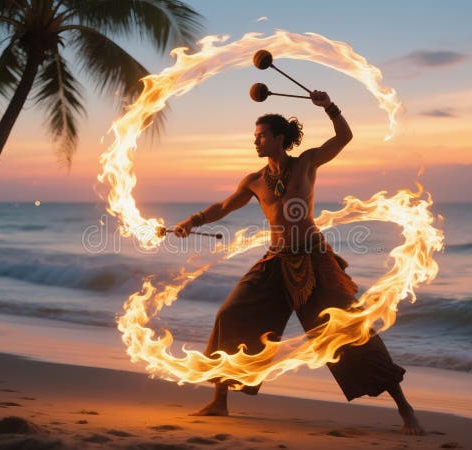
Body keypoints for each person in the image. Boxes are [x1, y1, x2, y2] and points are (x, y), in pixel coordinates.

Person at [174, 90, 424, 435]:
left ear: (280, 139)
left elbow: (344, 137)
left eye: (261, 135)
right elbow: (225, 206)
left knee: (350, 332)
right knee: (229, 316)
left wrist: (330, 107)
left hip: (314, 261)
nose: (256, 140)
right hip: (275, 262)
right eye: (255, 135)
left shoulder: (306, 163)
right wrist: (193, 220)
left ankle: (405, 409)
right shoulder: (254, 180)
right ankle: (220, 401)